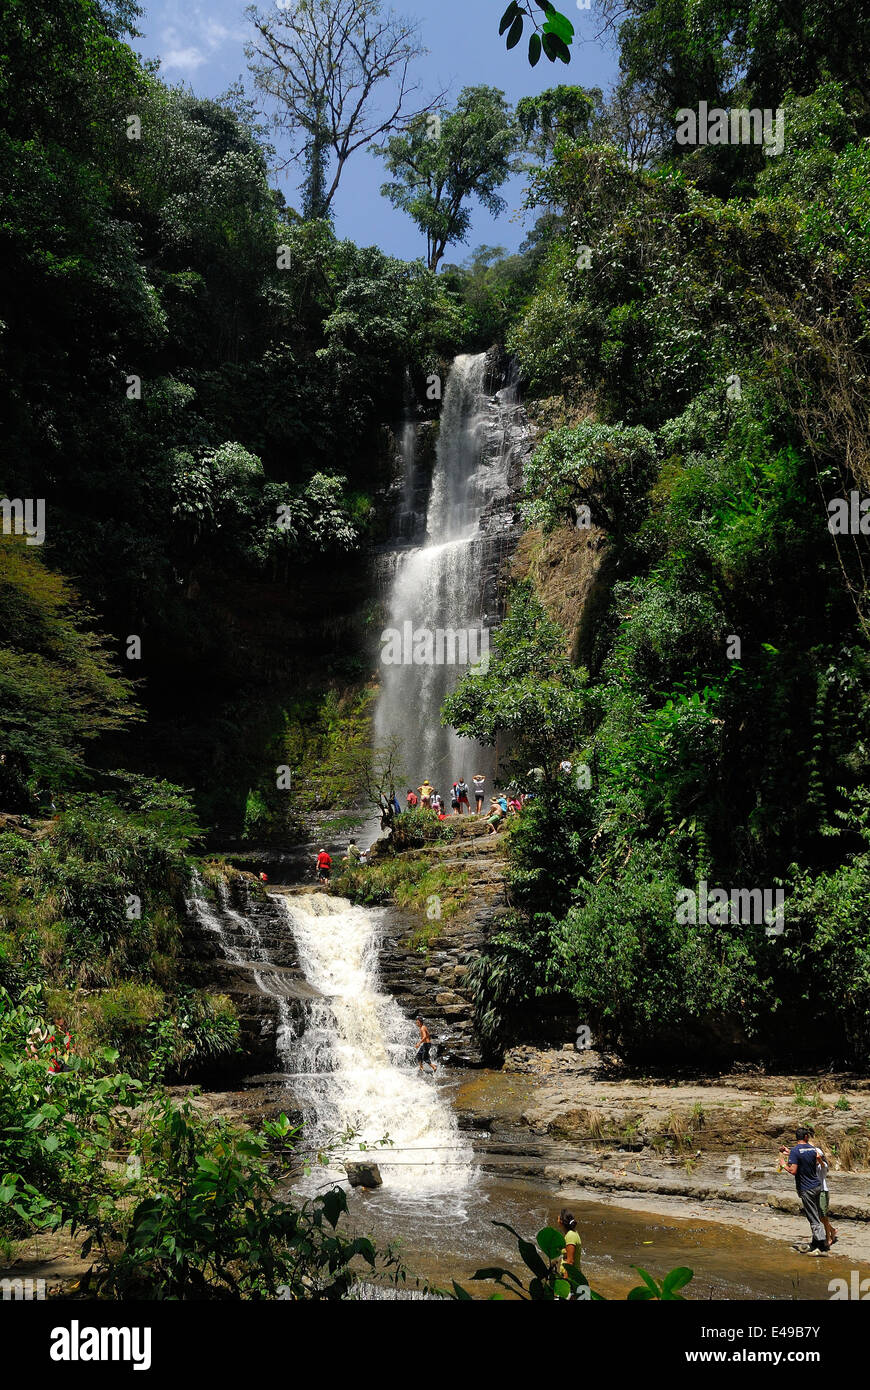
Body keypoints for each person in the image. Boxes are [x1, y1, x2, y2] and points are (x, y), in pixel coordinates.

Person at [782, 1127, 829, 1254]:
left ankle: (821, 1246)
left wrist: (783, 1164)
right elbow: (806, 1158)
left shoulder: (795, 1151)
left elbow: (793, 1171)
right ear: (806, 1137)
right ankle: (815, 1243)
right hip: (817, 1186)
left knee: (812, 1217)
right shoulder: (812, 1149)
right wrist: (789, 1153)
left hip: (806, 1188)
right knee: (817, 1214)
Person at [807, 1126, 838, 1248]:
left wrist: (819, 1160)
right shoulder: (811, 1166)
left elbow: (824, 1166)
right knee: (819, 1216)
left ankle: (829, 1237)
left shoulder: (821, 1166)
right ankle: (832, 1230)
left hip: (823, 1191)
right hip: (814, 1190)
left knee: (823, 1215)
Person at [555, 1209, 582, 1286]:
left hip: (571, 1279)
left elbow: (570, 1262)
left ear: (561, 1221)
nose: (557, 1217)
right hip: (571, 1277)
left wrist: (565, 1283)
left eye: (559, 1216)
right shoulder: (572, 1233)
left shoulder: (570, 1236)